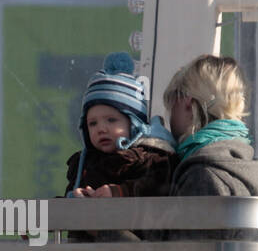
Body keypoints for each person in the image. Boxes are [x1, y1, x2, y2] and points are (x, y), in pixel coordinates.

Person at [66, 52, 176, 200]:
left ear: (134, 124)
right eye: (92, 123)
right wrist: (73, 198)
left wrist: (119, 192)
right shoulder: (82, 164)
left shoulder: (151, 159)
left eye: (111, 120)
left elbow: (159, 187)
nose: (101, 129)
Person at [163, 55, 258, 197]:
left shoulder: (201, 175)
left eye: (172, 100)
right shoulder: (252, 168)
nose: (169, 112)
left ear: (188, 103)